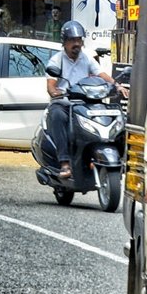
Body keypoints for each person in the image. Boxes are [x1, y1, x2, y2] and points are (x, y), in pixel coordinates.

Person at [42, 19, 111, 179]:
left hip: (85, 103)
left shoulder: (86, 58)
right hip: (65, 103)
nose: (76, 44)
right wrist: (55, 92)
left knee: (103, 115)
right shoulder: (57, 60)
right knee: (57, 116)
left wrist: (116, 85)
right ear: (64, 42)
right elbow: (51, 84)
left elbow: (101, 74)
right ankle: (64, 163)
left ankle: (97, 155)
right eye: (72, 40)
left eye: (79, 40)